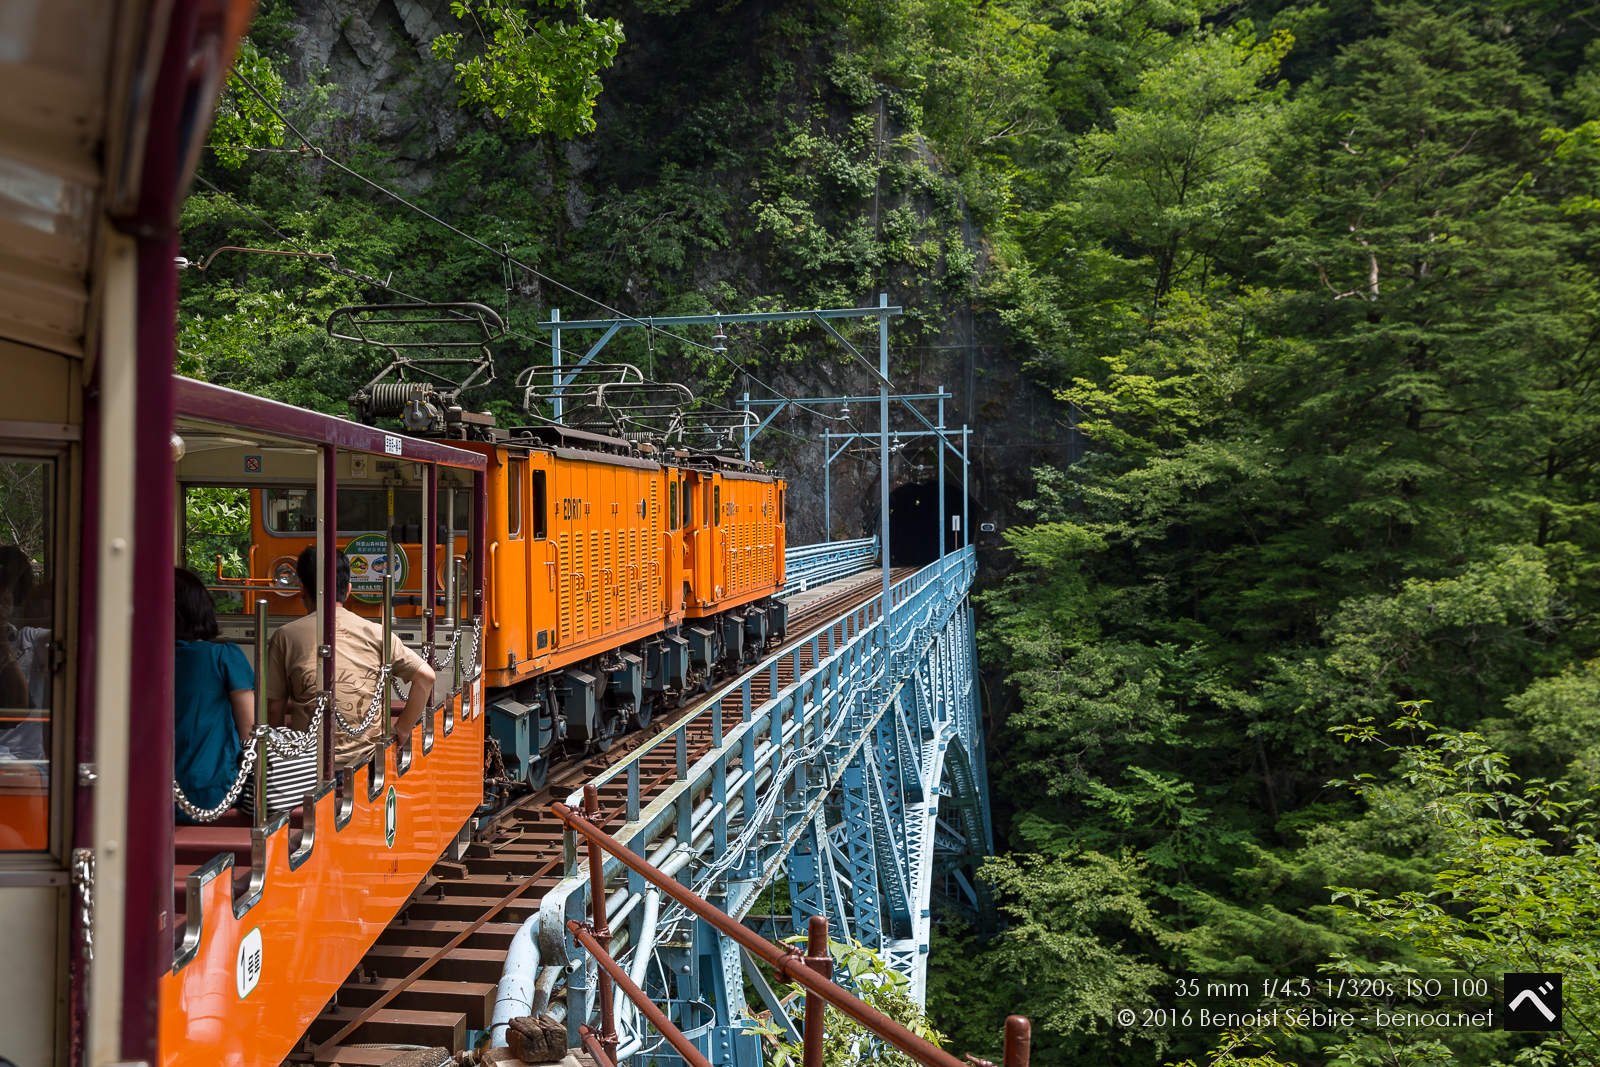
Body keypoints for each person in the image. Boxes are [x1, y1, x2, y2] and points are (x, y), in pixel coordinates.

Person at [266, 546, 433, 767]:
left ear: (302, 589)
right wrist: (402, 729)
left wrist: (279, 758)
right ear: (348, 590)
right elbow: (426, 676)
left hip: (308, 764)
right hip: (369, 762)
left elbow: (274, 709)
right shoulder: (377, 633)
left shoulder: (285, 636)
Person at [173, 568, 254, 822]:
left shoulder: (137, 659)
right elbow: (250, 732)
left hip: (144, 790)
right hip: (210, 793)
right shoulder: (223, 657)